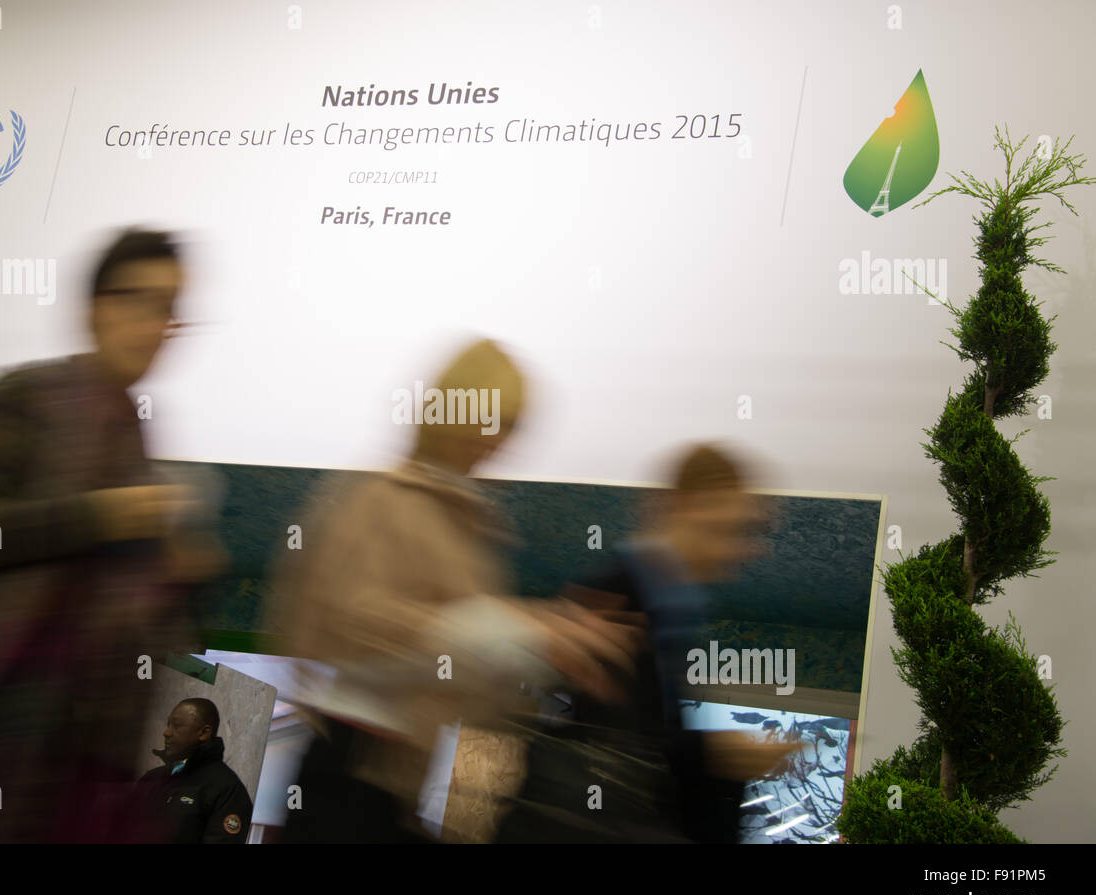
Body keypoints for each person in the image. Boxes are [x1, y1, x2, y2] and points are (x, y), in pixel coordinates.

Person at [0, 227, 221, 843]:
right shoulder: (28, 398)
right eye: (144, 301)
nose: (159, 324)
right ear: (94, 309)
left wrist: (181, 577)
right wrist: (99, 517)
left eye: (172, 310)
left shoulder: (137, 440)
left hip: (69, 781)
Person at [270, 338, 639, 843]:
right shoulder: (383, 498)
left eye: (511, 424)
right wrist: (532, 635)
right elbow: (357, 628)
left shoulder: (468, 520)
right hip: (349, 769)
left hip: (393, 780)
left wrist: (545, 646)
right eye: (490, 416)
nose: (498, 437)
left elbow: (464, 663)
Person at [496, 442, 797, 843]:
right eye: (731, 529)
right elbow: (599, 736)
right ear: (680, 506)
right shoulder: (618, 594)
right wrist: (715, 753)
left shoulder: (668, 602)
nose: (745, 548)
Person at [118, 698, 254, 844]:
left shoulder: (228, 790)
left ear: (204, 733)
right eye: (168, 724)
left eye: (177, 725)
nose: (167, 732)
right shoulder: (152, 778)